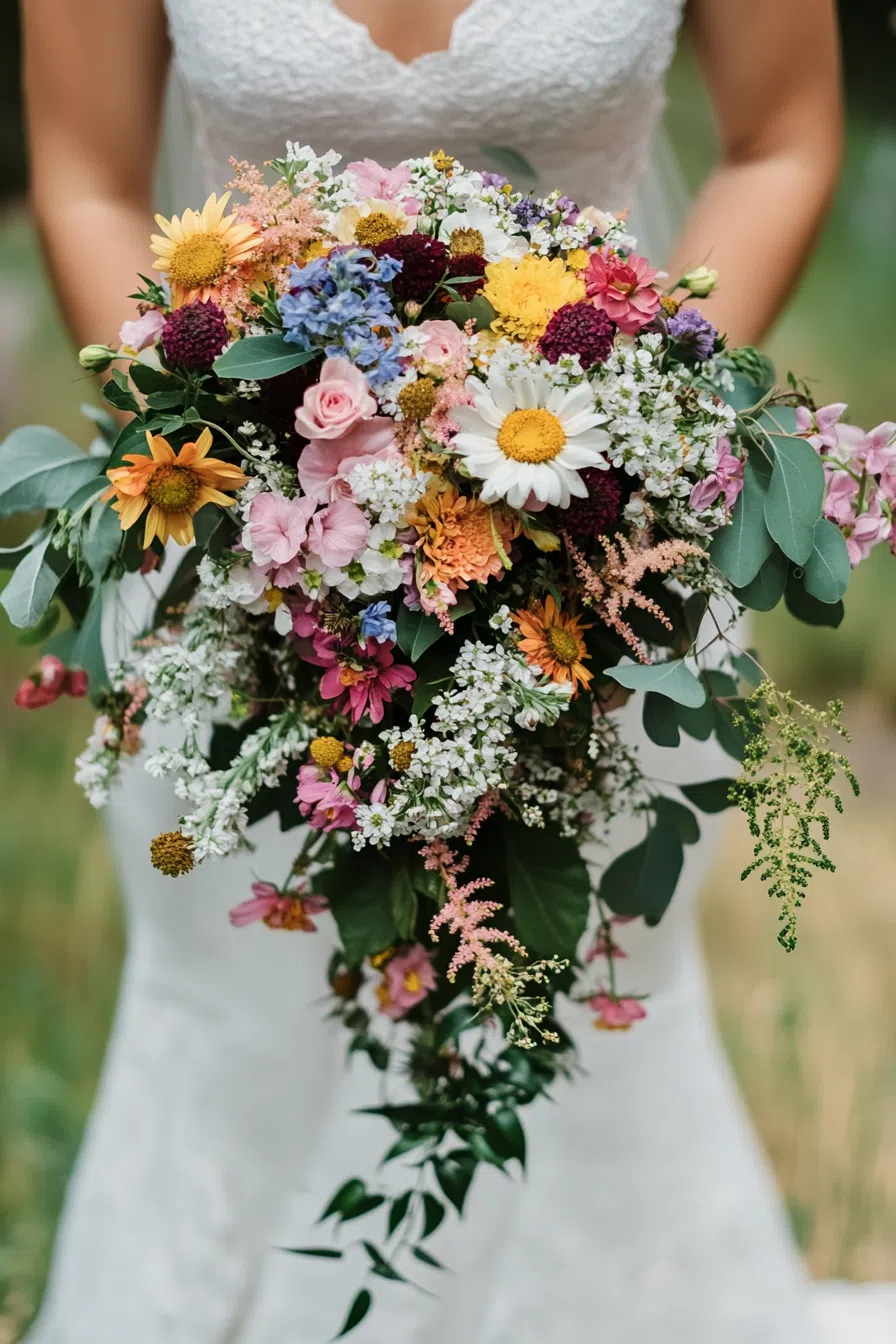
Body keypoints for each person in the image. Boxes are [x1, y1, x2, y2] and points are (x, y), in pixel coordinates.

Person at [20, 2, 870, 1341]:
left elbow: (782, 137)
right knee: (247, 998)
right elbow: (86, 173)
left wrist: (626, 457)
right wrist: (229, 464)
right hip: (249, 539)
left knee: (577, 997)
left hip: (597, 547)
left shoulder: (607, 511)